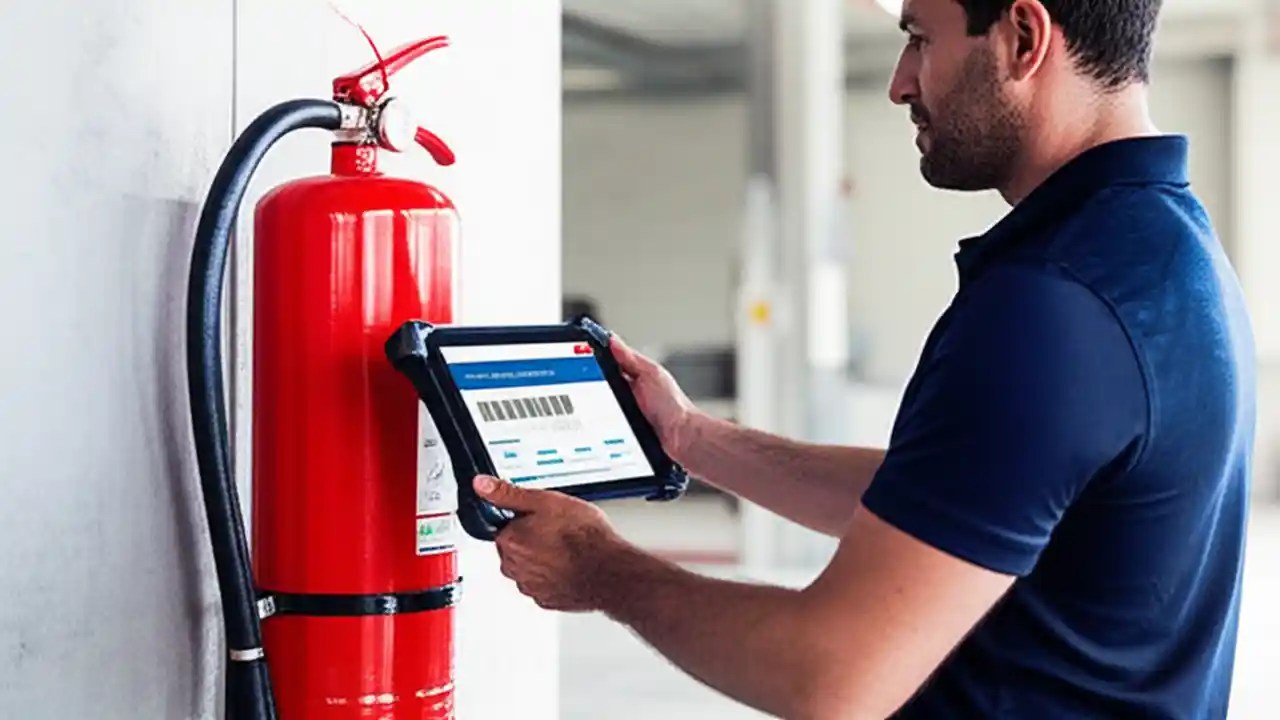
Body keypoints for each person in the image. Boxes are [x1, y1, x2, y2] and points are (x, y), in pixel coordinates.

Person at [473, 0, 1256, 716]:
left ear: (1023, 37)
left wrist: (600, 569)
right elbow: (959, 502)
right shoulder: (1167, 253)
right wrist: (690, 438)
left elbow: (832, 675)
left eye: (920, 39)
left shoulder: (1053, 302)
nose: (899, 82)